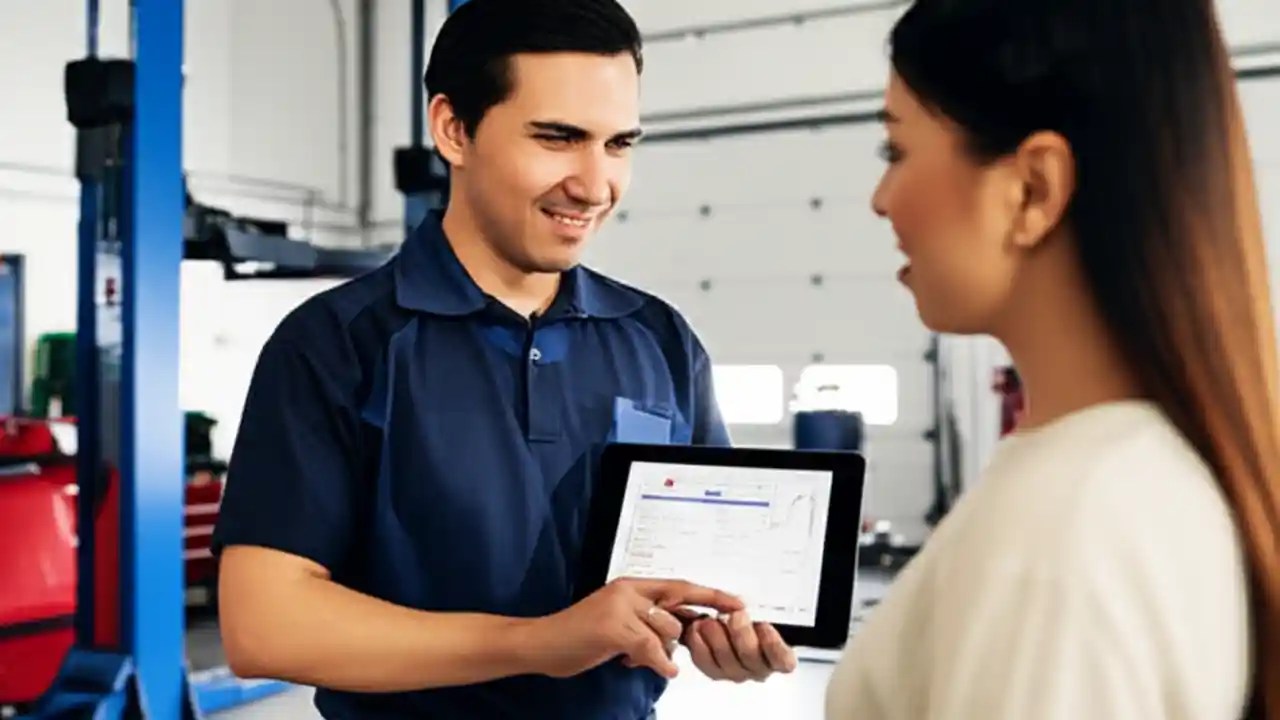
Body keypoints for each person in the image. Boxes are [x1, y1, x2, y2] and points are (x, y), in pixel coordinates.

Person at [212, 0, 797, 718]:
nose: (594, 184)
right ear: (453, 129)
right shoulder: (339, 344)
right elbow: (264, 626)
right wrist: (538, 643)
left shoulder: (661, 339)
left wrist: (726, 632)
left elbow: (704, 573)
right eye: (558, 138)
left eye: (618, 145)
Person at [826, 0, 1280, 718]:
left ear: (1033, 189)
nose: (883, 200)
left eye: (897, 151)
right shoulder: (1136, 479)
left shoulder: (1064, 534)